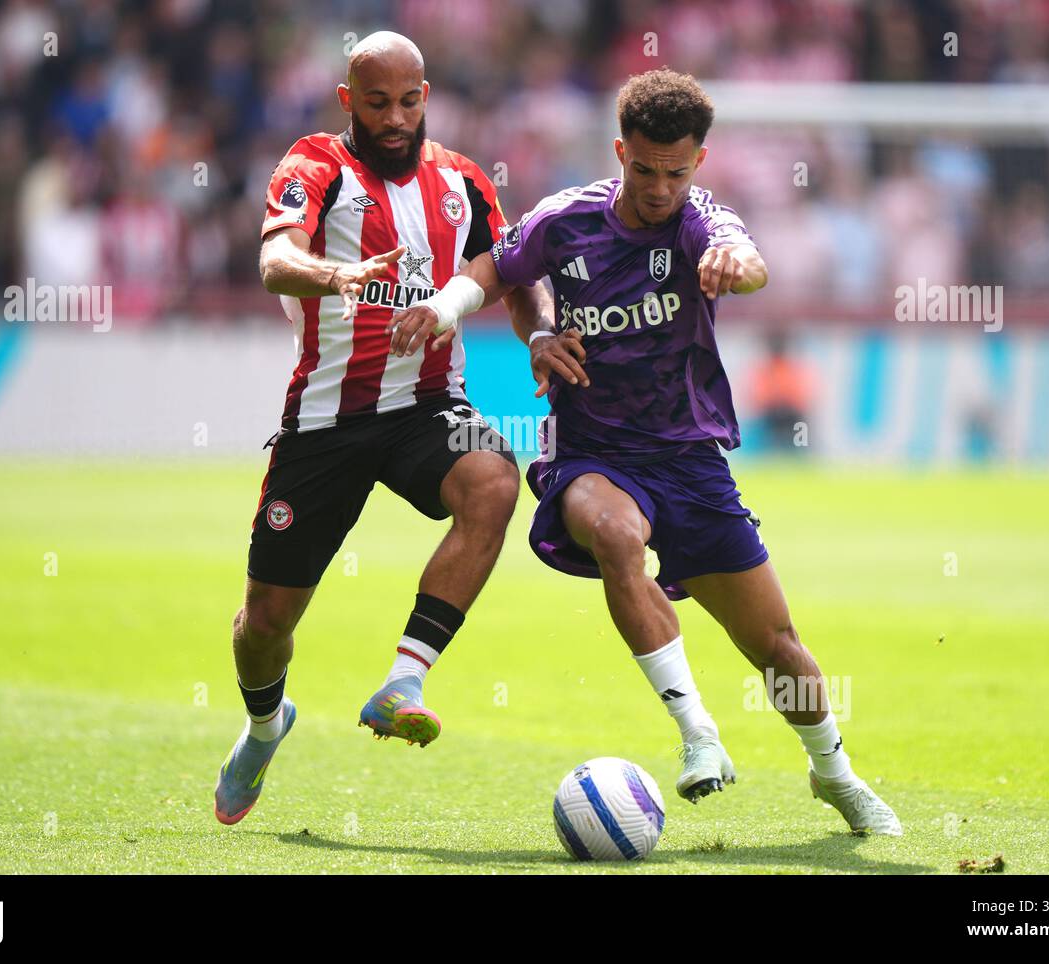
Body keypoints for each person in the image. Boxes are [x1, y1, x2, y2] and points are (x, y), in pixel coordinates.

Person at [388, 69, 901, 834]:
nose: (661, 189)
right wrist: (448, 305)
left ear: (699, 161)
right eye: (646, 170)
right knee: (620, 539)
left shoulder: (702, 222)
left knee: (777, 646)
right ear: (620, 151)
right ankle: (699, 738)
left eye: (678, 173)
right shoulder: (567, 221)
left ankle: (834, 771)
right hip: (588, 449)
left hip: (688, 458)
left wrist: (738, 267)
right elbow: (496, 268)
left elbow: (746, 257)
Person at [215, 32, 553, 826]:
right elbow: (274, 260)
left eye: (408, 101)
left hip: (428, 407)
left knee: (497, 478)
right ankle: (265, 727)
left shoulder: (464, 181)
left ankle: (404, 679)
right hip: (326, 422)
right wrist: (337, 273)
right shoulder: (314, 165)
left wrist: (538, 334)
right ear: (347, 101)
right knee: (265, 623)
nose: (395, 118)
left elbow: (508, 271)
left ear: (426, 94)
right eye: (377, 103)